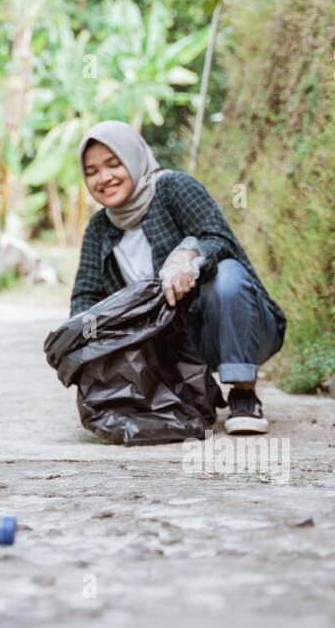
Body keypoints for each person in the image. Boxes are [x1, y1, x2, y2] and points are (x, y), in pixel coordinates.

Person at [70, 121, 285, 434]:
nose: (104, 178)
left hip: (229, 325)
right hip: (167, 347)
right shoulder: (99, 228)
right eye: (92, 171)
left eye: (113, 164)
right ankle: (192, 394)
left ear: (133, 158)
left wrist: (188, 256)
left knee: (227, 274)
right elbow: (85, 296)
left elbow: (220, 239)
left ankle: (243, 394)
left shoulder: (173, 188)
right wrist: (84, 337)